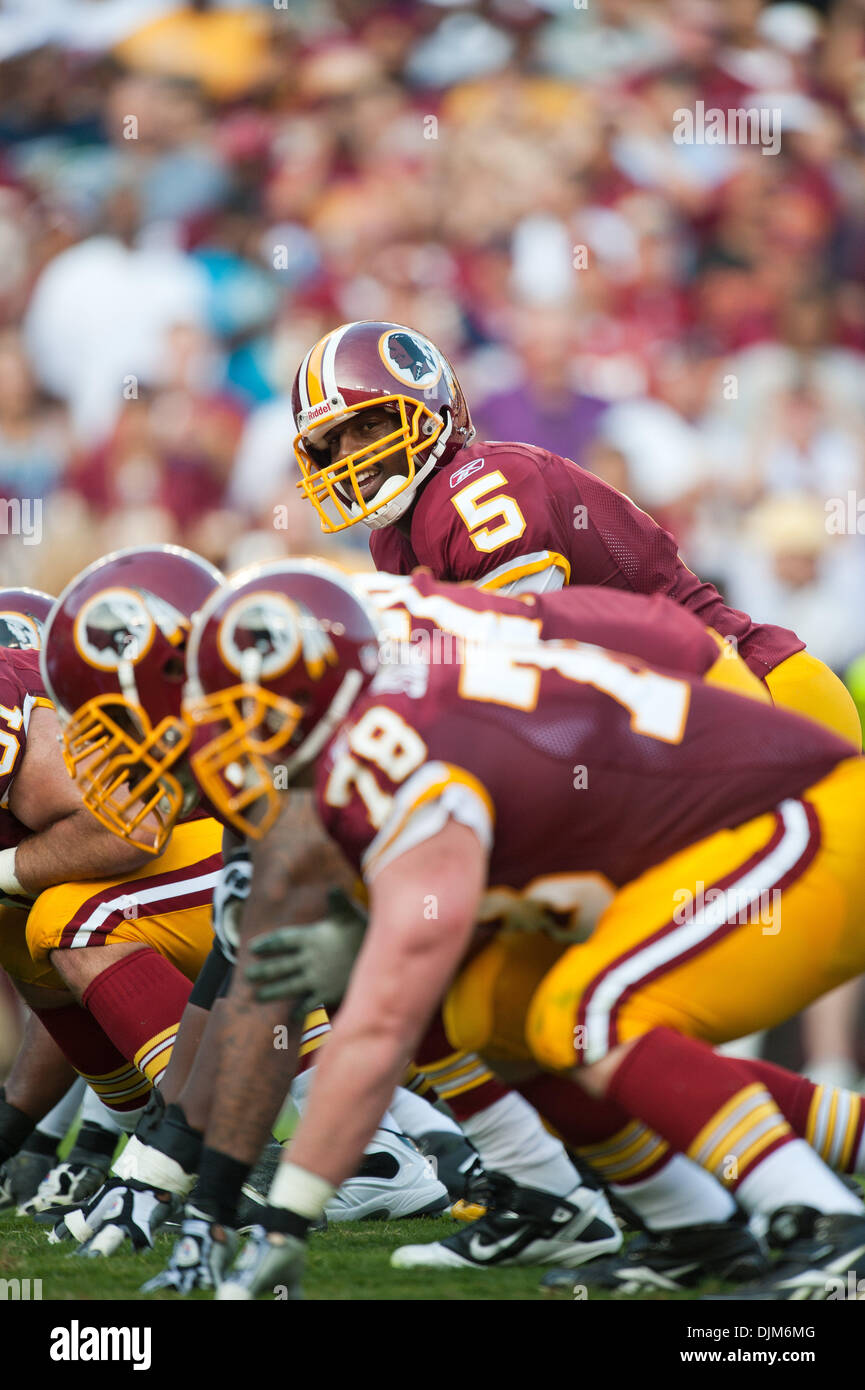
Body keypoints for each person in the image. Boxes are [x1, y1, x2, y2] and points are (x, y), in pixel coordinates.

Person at [183, 561, 865, 1301]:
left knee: (592, 1009)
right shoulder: (390, 674)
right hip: (710, 819)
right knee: (495, 1008)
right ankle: (692, 1223)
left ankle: (827, 1229)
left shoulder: (399, 758)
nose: (245, 745)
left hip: (800, 819)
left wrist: (286, 1218)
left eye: (262, 717)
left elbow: (380, 1027)